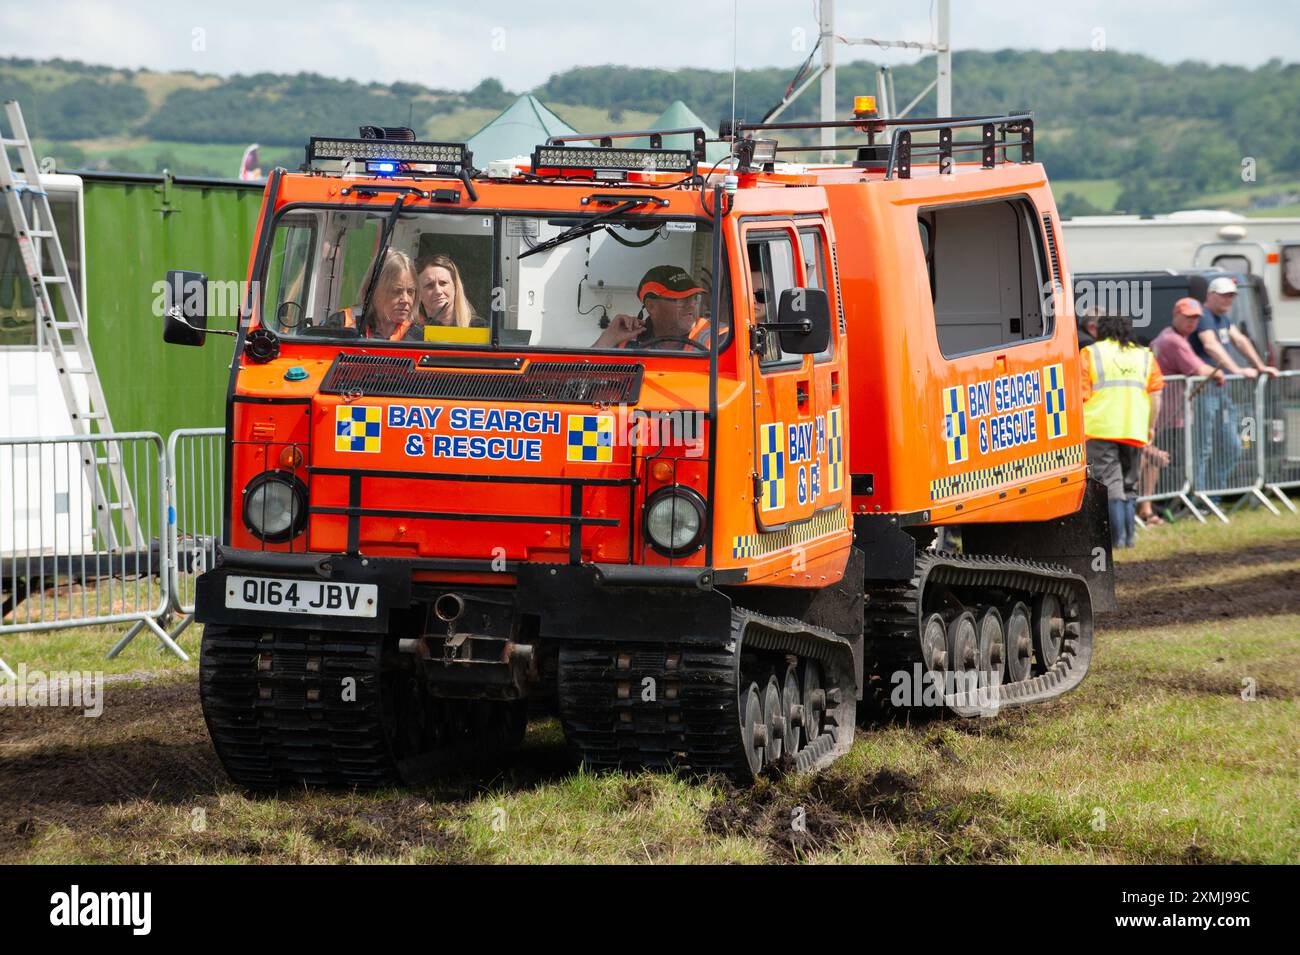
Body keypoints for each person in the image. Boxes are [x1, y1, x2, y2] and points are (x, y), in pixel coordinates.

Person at [1188, 276, 1278, 493]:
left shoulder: (1223, 319)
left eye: (1232, 296)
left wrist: (1260, 365)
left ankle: (1214, 494)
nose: (1229, 300)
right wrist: (1237, 370)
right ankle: (1200, 498)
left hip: (1220, 391)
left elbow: (1240, 341)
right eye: (1224, 295)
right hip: (1204, 391)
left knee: (1232, 446)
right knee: (1204, 447)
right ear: (1211, 295)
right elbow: (1210, 345)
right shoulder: (1204, 316)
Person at [1081, 313, 1164, 549]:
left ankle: (1115, 541)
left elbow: (1080, 394)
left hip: (1100, 428)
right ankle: (1129, 539)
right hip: (1134, 429)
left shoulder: (1091, 353)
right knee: (1129, 484)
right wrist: (1150, 427)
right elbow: (1156, 396)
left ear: (1099, 331)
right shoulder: (1145, 357)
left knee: (1110, 482)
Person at [592, 266, 722, 351]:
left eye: (694, 297)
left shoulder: (717, 337)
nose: (691, 304)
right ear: (651, 306)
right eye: (681, 299)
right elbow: (580, 381)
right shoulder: (625, 341)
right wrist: (608, 338)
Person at [333, 249, 422, 342]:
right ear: (372, 291)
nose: (406, 299)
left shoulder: (418, 336)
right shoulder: (342, 324)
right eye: (396, 291)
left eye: (410, 292)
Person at [416, 253, 483, 329]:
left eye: (443, 283)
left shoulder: (479, 328)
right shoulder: (411, 335)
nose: (438, 291)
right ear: (418, 294)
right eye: (429, 285)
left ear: (455, 287)